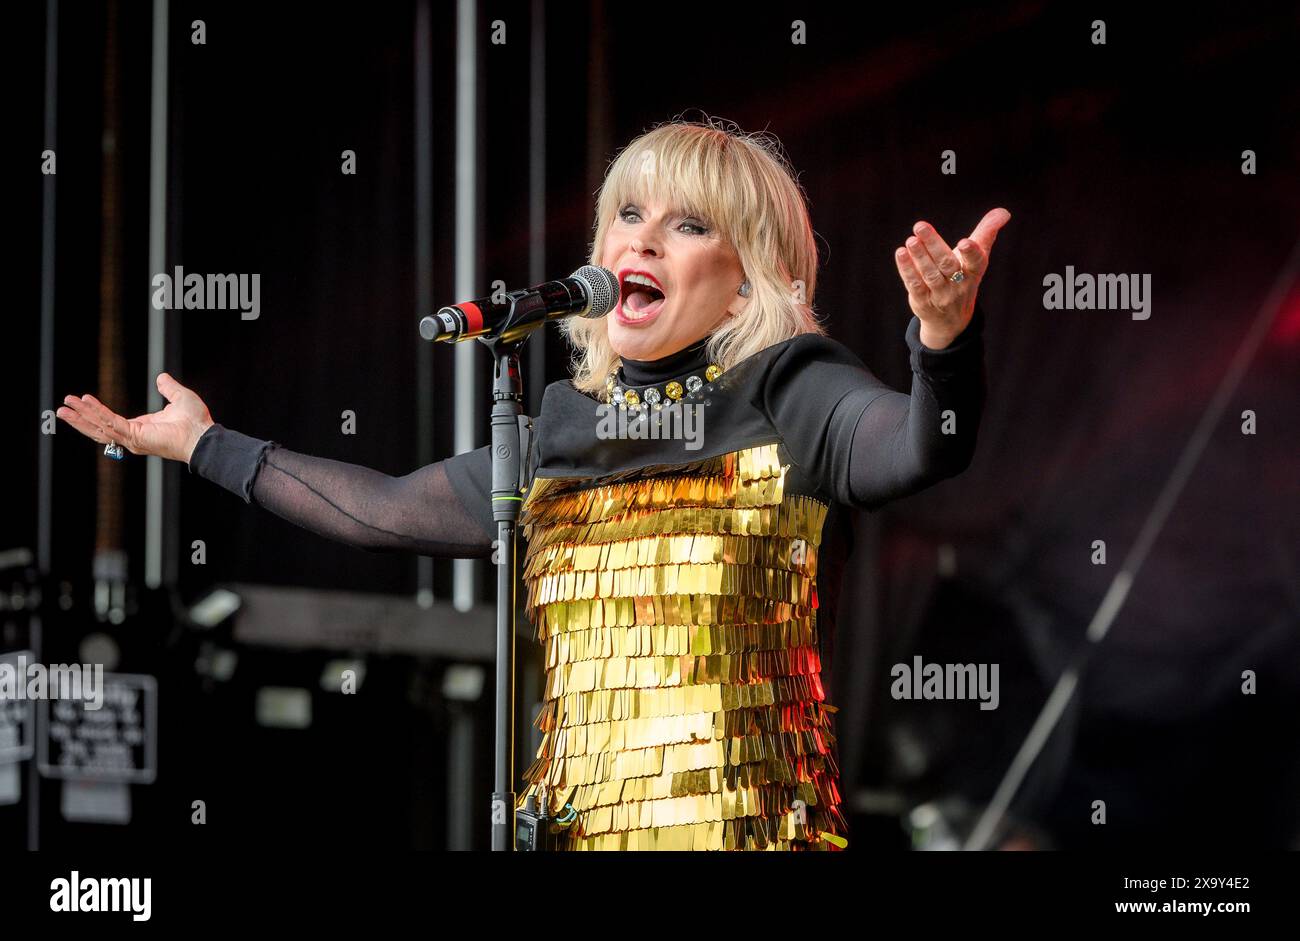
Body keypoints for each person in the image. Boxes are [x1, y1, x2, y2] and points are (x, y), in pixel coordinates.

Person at [58, 117, 1009, 850]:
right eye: (627, 216)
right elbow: (386, 510)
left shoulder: (794, 388)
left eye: (687, 224)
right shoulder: (558, 423)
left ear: (748, 277)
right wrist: (205, 446)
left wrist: (942, 341)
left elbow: (926, 445)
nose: (641, 241)